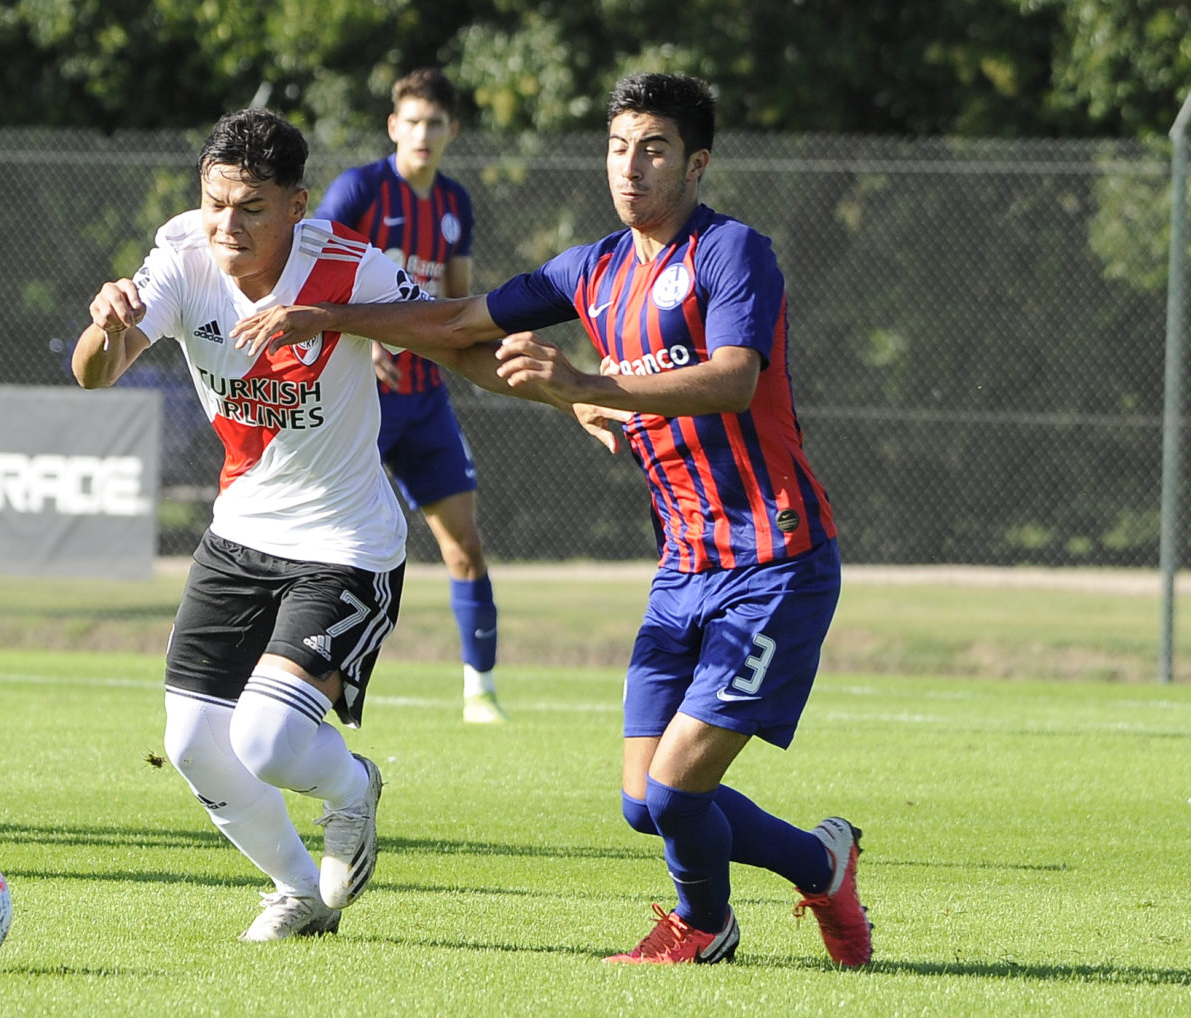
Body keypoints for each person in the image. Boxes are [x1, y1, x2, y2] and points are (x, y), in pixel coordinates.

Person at [229, 71, 873, 967]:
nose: (631, 168)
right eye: (618, 148)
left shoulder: (734, 254)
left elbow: (734, 377)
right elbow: (457, 318)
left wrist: (584, 384)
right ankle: (820, 862)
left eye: (653, 149)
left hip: (776, 562)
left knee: (680, 789)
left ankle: (704, 928)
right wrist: (324, 315)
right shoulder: (591, 269)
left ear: (698, 164)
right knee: (644, 802)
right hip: (684, 564)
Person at [72, 108, 494, 942]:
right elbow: (96, 373)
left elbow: (453, 328)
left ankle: (352, 789)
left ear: (296, 205)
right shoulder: (182, 257)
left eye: (251, 208)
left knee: (264, 738)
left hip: (345, 547)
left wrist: (331, 319)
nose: (226, 224)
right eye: (213, 201)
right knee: (193, 741)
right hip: (240, 536)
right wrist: (106, 324)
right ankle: (298, 892)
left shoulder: (347, 264)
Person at [313, 68, 506, 725]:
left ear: (451, 130)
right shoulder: (360, 190)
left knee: (465, 547)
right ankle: (295, 675)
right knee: (328, 546)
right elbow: (308, 271)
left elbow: (455, 303)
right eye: (411, 122)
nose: (422, 133)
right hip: (358, 402)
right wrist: (365, 339)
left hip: (425, 402)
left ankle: (480, 690)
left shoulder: (453, 204)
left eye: (435, 123)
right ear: (393, 126)